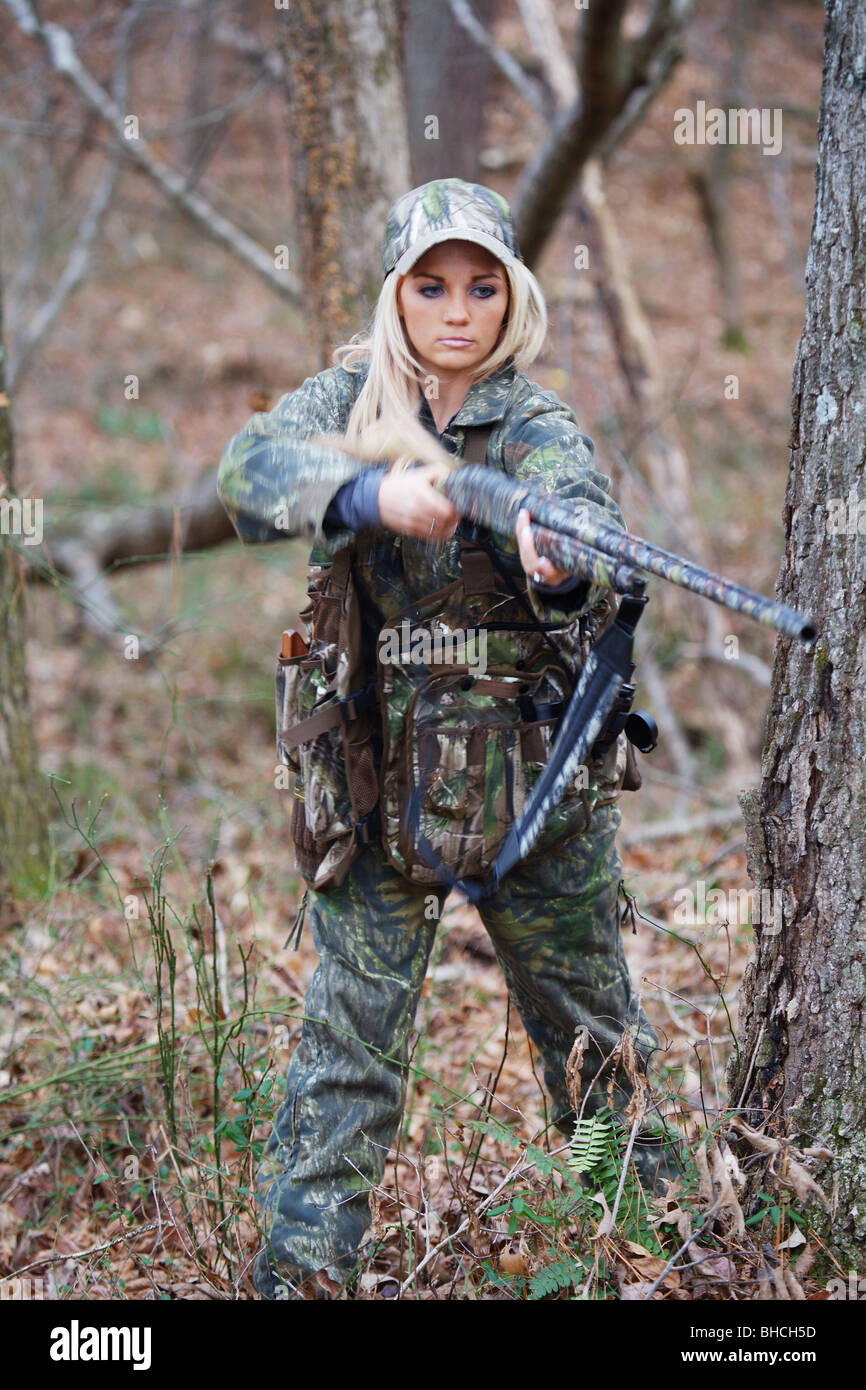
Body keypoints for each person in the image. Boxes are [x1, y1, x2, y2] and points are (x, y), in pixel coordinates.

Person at [217, 178, 675, 1301]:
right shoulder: (345, 395)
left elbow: (594, 539)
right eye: (429, 286)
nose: (455, 310)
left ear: (511, 296)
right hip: (373, 796)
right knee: (349, 1053)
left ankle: (637, 1244)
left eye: (480, 286)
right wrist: (372, 495)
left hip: (530, 794)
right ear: (395, 295)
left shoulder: (534, 425)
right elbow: (246, 474)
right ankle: (304, 1273)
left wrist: (556, 558)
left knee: (590, 1052)